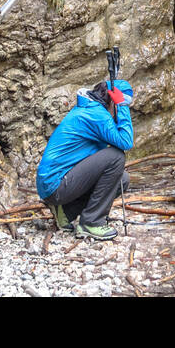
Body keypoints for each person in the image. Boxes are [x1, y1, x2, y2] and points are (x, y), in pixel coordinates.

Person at [36, 77, 134, 240]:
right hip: (56, 185)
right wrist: (123, 106)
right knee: (116, 156)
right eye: (121, 104)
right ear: (113, 101)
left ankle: (66, 213)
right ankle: (91, 223)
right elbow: (125, 142)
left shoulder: (91, 109)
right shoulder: (96, 115)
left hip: (55, 183)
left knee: (122, 179)